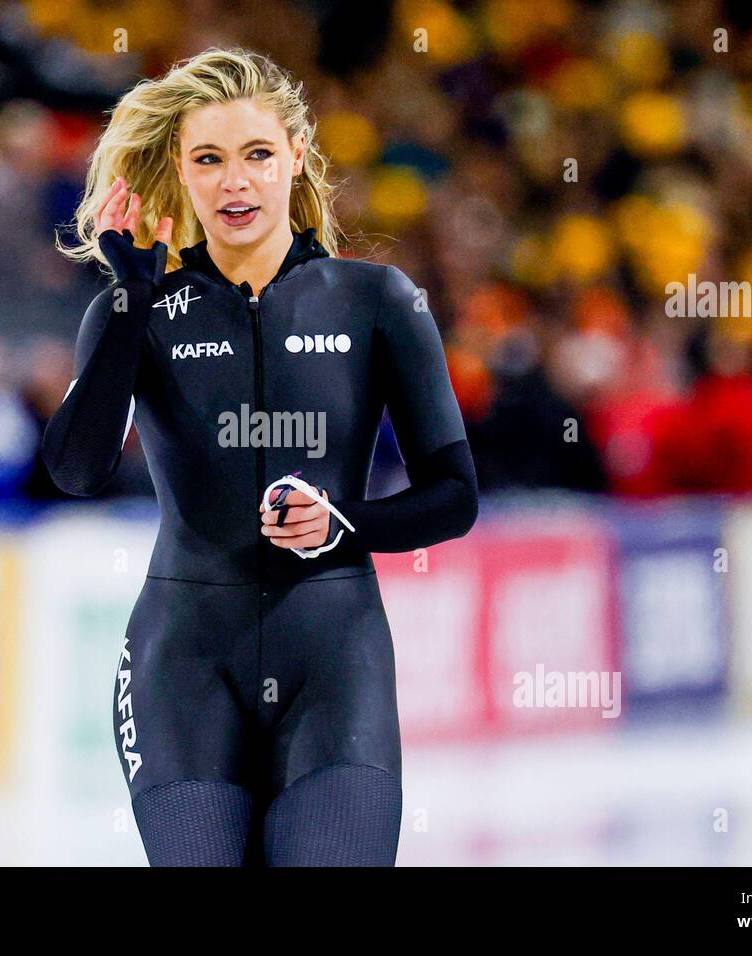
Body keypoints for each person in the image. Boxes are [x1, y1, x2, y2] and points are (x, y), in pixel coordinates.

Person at [43, 48, 477, 866]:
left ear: (296, 159)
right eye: (208, 159)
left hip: (334, 662)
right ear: (180, 169)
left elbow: (454, 495)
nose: (234, 182)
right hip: (184, 667)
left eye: (256, 156)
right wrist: (133, 297)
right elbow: (75, 468)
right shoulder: (138, 308)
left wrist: (344, 527)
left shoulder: (378, 301)